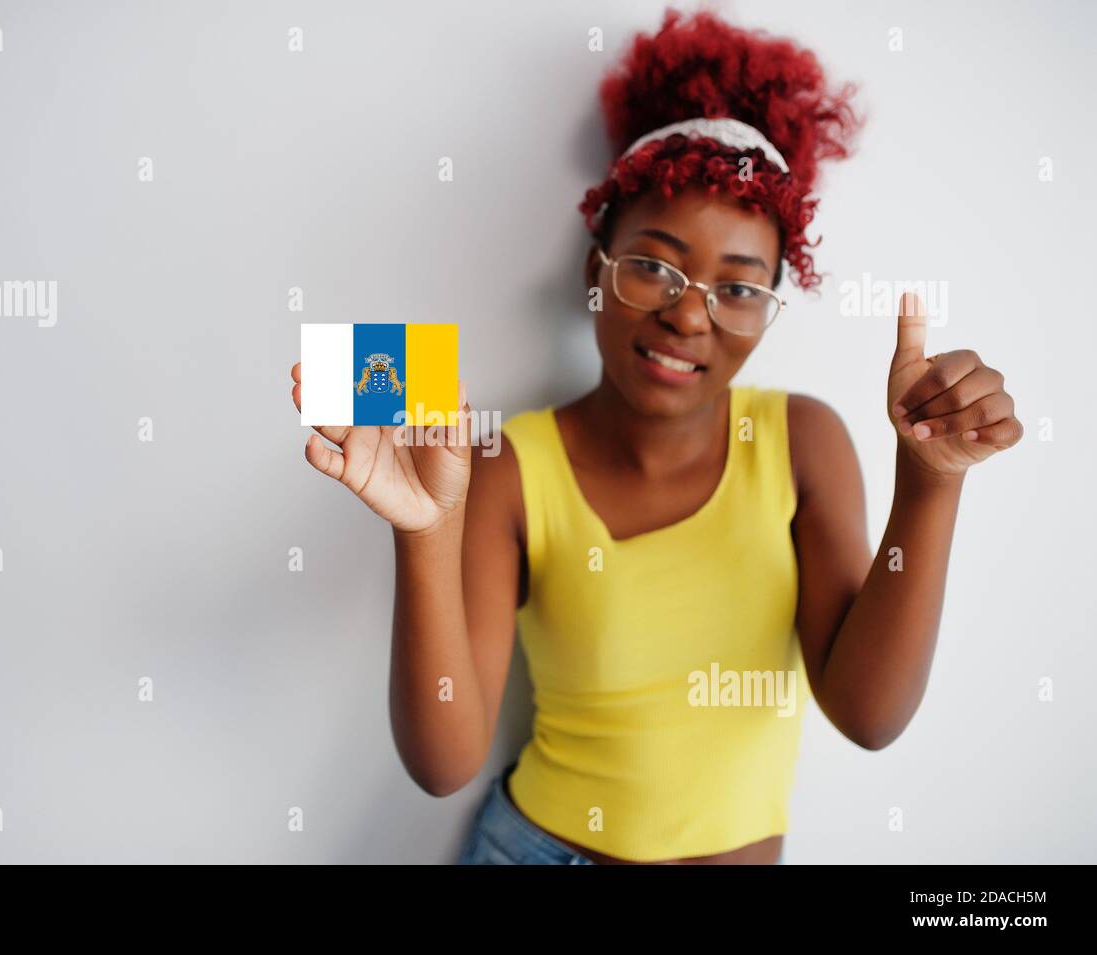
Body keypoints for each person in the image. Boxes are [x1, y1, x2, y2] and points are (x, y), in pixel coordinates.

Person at [289, 9, 1021, 864]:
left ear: (770, 309)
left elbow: (869, 714)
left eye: (738, 287)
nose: (687, 314)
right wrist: (423, 533)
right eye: (653, 265)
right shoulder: (506, 463)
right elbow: (444, 762)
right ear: (594, 268)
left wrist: (930, 483)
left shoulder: (805, 443)